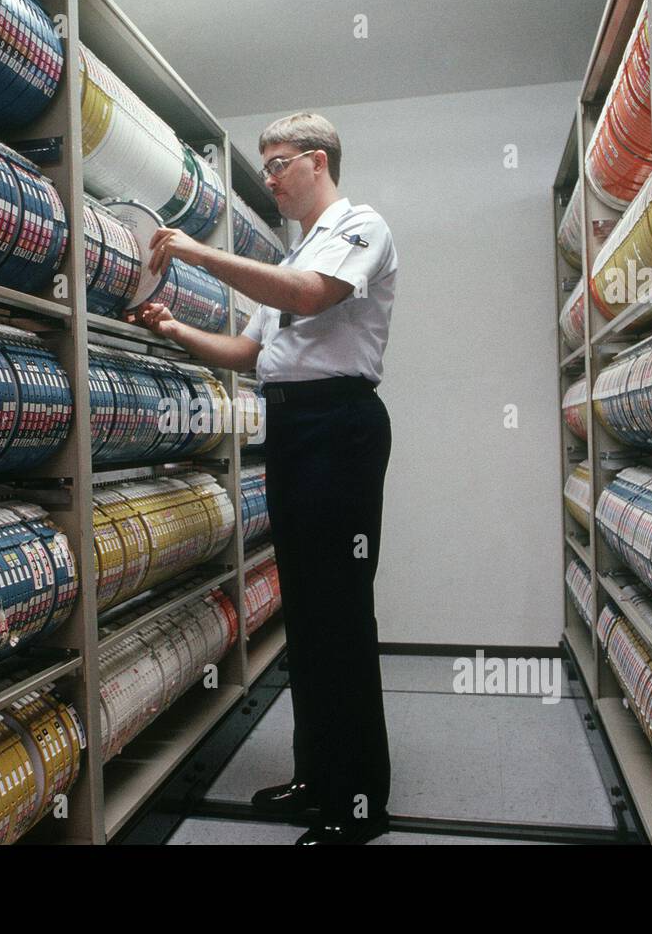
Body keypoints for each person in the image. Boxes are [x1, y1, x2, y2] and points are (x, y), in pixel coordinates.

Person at [136, 112, 397, 845]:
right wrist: (174, 330)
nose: (271, 179)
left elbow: (310, 297)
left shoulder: (358, 229)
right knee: (307, 617)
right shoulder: (299, 253)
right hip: (289, 427)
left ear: (318, 162)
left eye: (279, 164)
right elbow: (248, 354)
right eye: (268, 166)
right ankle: (318, 777)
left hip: (337, 428)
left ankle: (358, 805)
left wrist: (200, 254)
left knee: (340, 616)